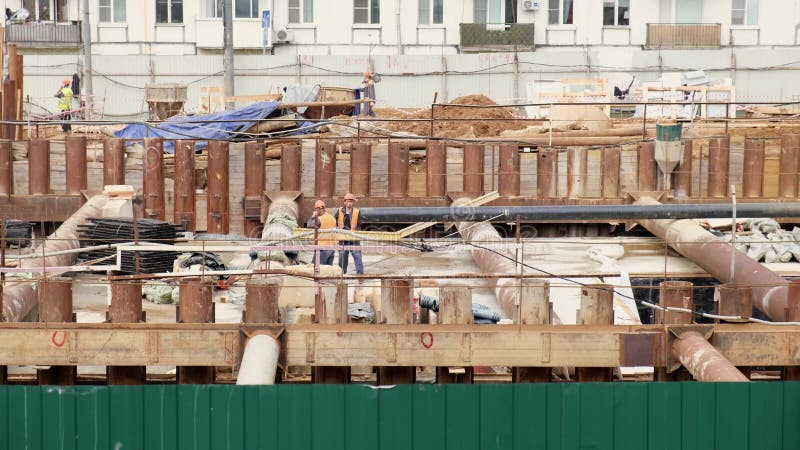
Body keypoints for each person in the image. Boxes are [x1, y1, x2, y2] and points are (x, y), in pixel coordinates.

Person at [336, 192, 364, 275]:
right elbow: (335, 222)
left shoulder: (357, 212)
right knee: (342, 257)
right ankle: (341, 274)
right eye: (348, 201)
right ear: (344, 202)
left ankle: (360, 275)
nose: (350, 203)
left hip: (353, 238)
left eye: (351, 201)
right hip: (343, 238)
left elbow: (359, 225)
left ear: (353, 202)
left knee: (357, 256)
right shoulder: (339, 211)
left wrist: (356, 233)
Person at [307, 199, 336, 265]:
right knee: (328, 270)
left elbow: (309, 224)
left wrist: (313, 216)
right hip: (332, 248)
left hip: (322, 248)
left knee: (316, 268)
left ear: (318, 210)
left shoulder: (320, 219)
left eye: (316, 210)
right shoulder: (332, 218)